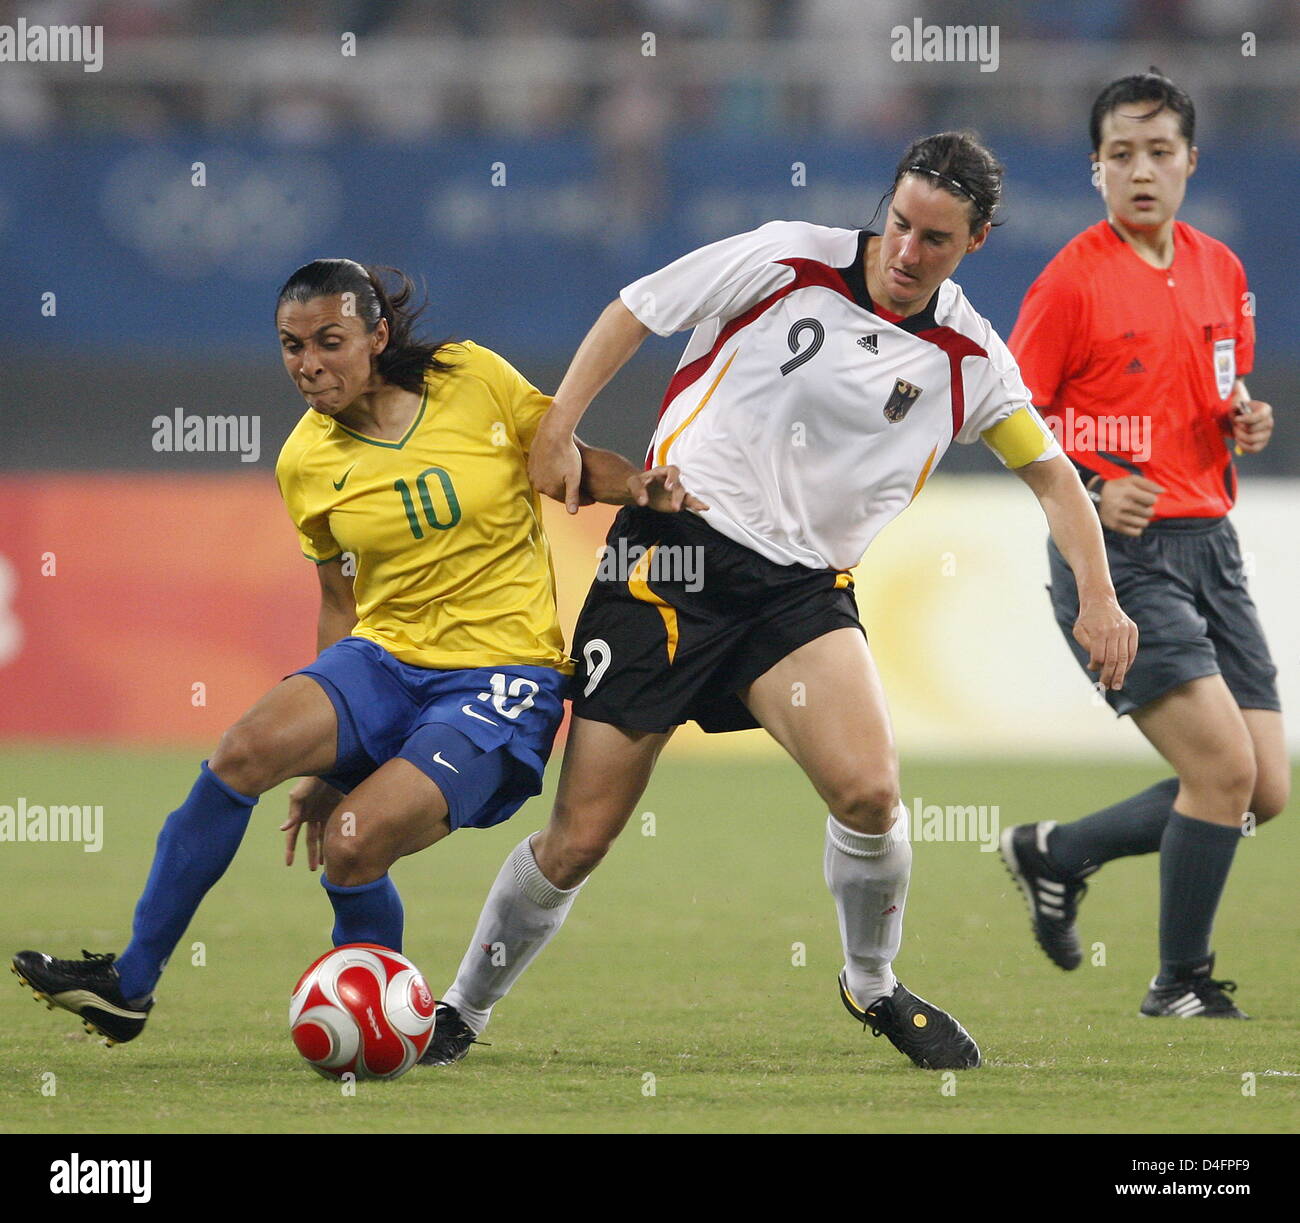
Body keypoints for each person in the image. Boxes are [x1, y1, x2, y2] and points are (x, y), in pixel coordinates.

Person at [421, 132, 1137, 1072]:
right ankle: (461, 1009)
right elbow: (636, 308)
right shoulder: (784, 257)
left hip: (795, 597)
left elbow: (1050, 476)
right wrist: (560, 427)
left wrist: (1099, 596)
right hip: (668, 568)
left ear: (978, 243)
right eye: (901, 224)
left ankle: (871, 982)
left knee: (872, 791)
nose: (907, 252)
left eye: (936, 241)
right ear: (886, 206)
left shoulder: (967, 356)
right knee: (581, 835)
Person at [12, 258, 697, 1045]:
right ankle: (129, 984)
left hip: (504, 677)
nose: (308, 365)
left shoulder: (471, 378)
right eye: (291, 346)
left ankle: (384, 1029)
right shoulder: (306, 463)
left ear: (376, 336)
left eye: (328, 341)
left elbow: (564, 460)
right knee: (242, 751)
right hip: (385, 659)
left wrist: (638, 486)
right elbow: (340, 601)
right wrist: (327, 763)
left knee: (351, 842)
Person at [999, 72, 1287, 1018]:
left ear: (1190, 163)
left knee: (1265, 787)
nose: (1142, 170)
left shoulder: (1222, 270)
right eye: (1121, 154)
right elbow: (1009, 415)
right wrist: (1088, 484)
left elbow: (1214, 383)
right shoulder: (1071, 281)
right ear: (1095, 170)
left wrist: (1239, 417)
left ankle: (1058, 852)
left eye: (1159, 151)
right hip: (1118, 559)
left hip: (1212, 540)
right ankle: (1181, 982)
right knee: (1222, 773)